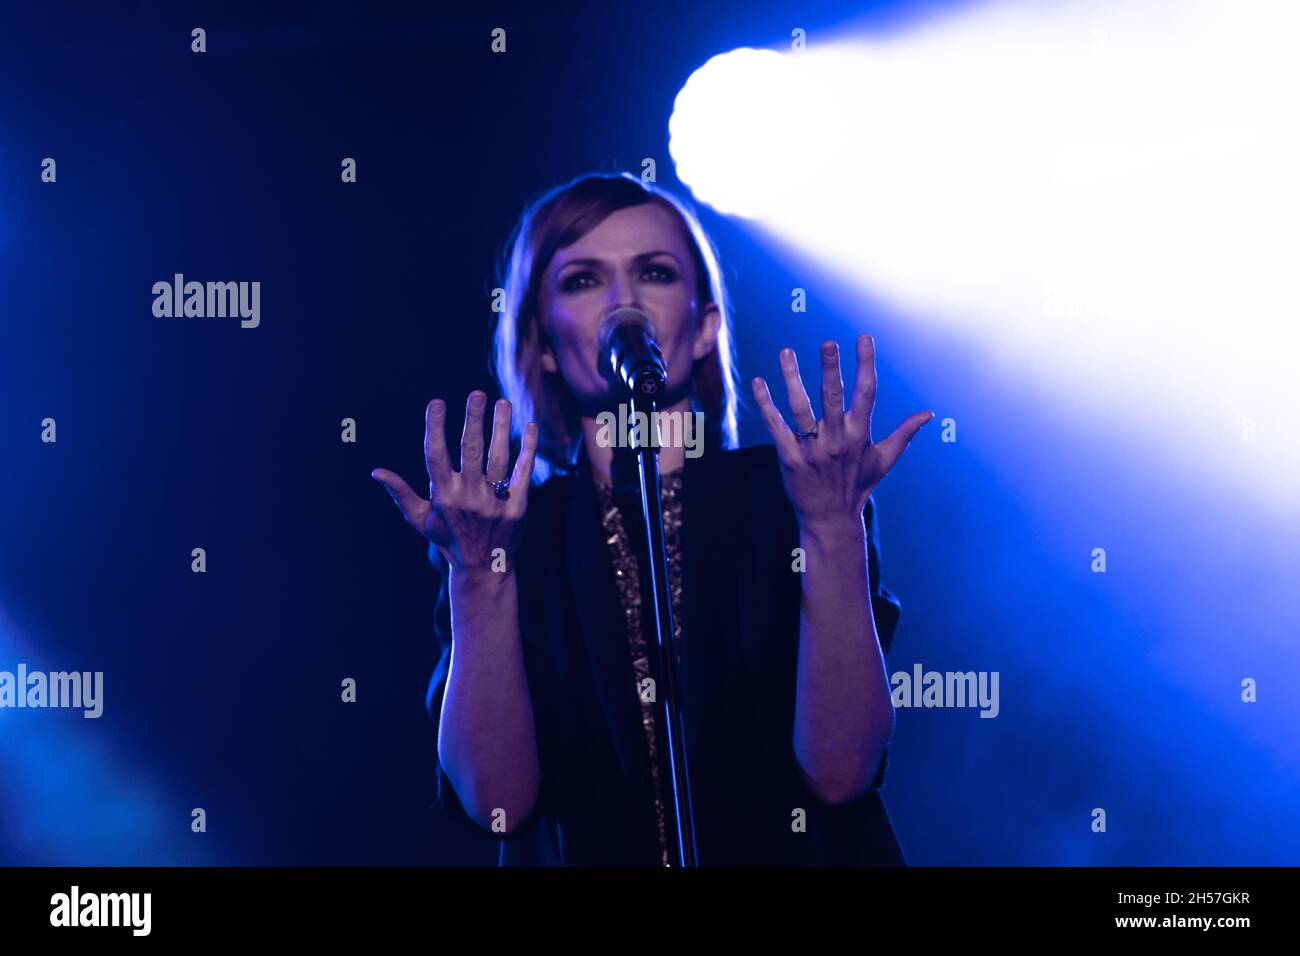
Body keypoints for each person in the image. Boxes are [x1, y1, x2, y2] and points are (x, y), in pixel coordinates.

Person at [371, 172, 932, 866]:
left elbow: (841, 772)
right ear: (542, 340)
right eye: (582, 280)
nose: (623, 302)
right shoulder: (512, 536)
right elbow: (497, 804)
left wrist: (831, 527)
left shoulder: (790, 495)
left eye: (655, 273)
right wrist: (478, 576)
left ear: (703, 327)